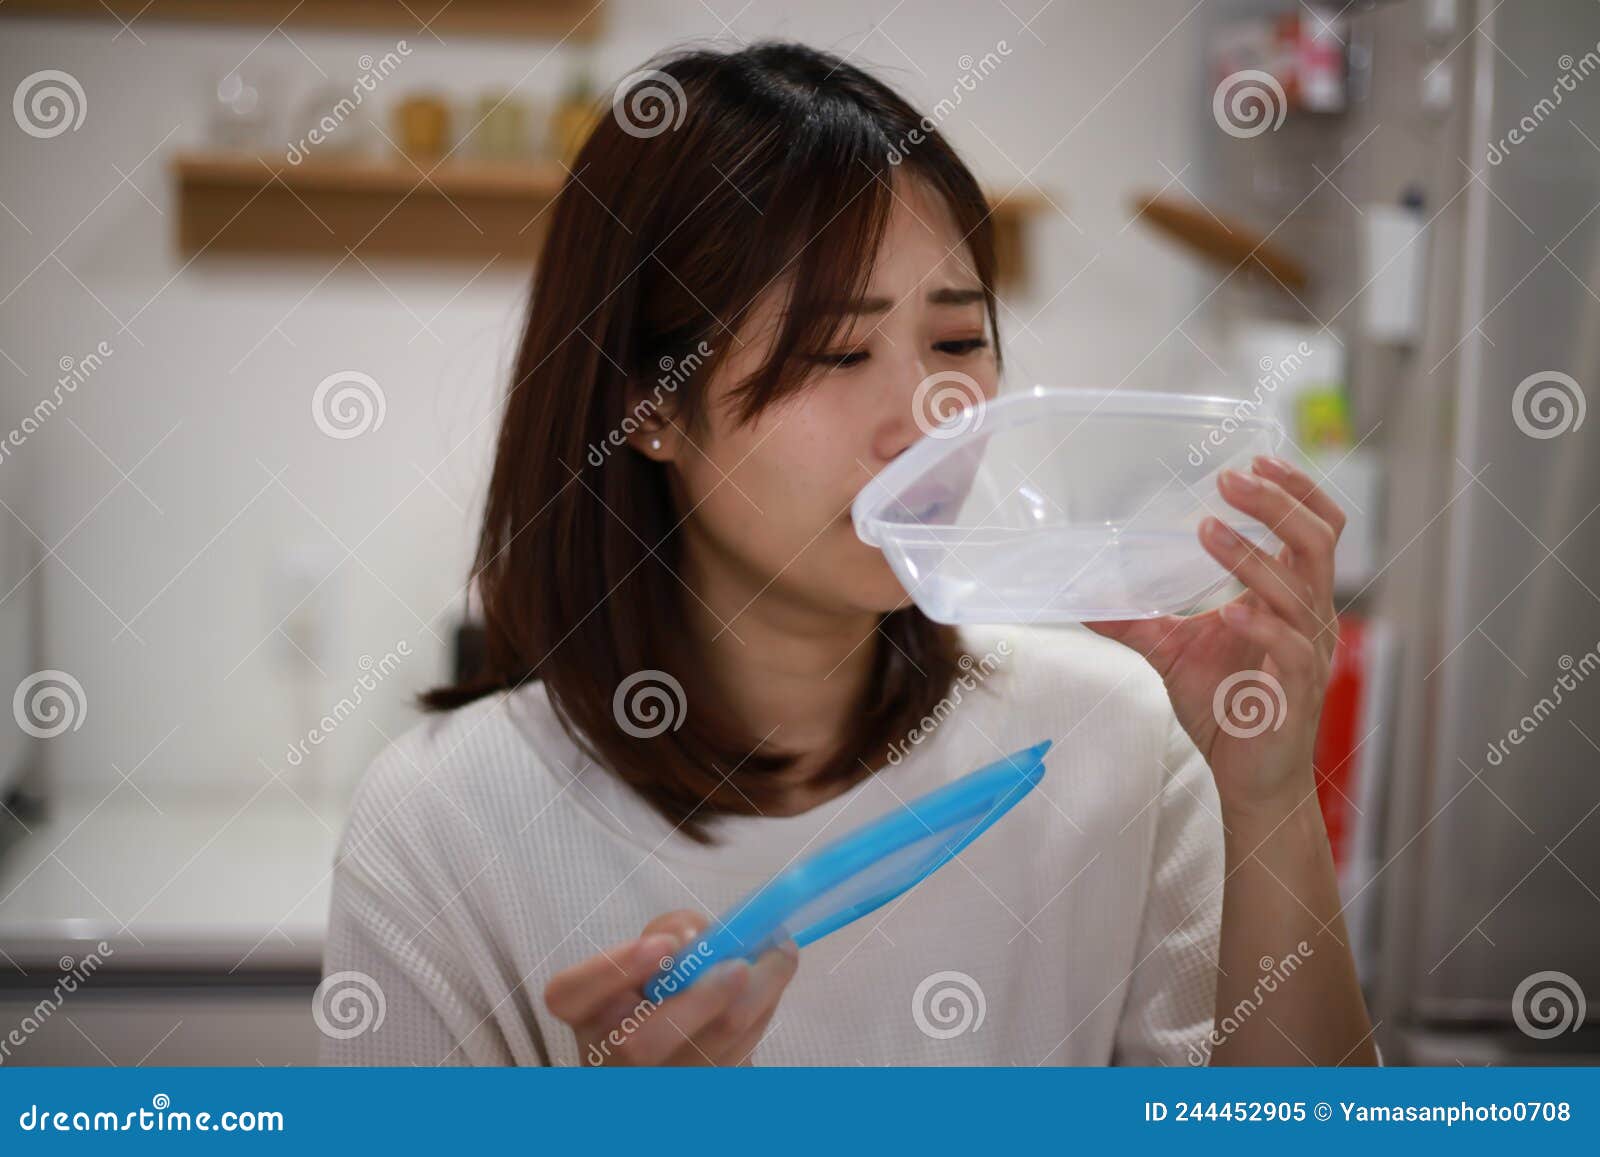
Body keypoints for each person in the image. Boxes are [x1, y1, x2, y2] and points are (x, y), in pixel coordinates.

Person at [321, 41, 1376, 1067]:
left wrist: (1269, 800)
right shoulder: (445, 823)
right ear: (648, 403)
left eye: (958, 341)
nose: (928, 415)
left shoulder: (1115, 733)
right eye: (835, 350)